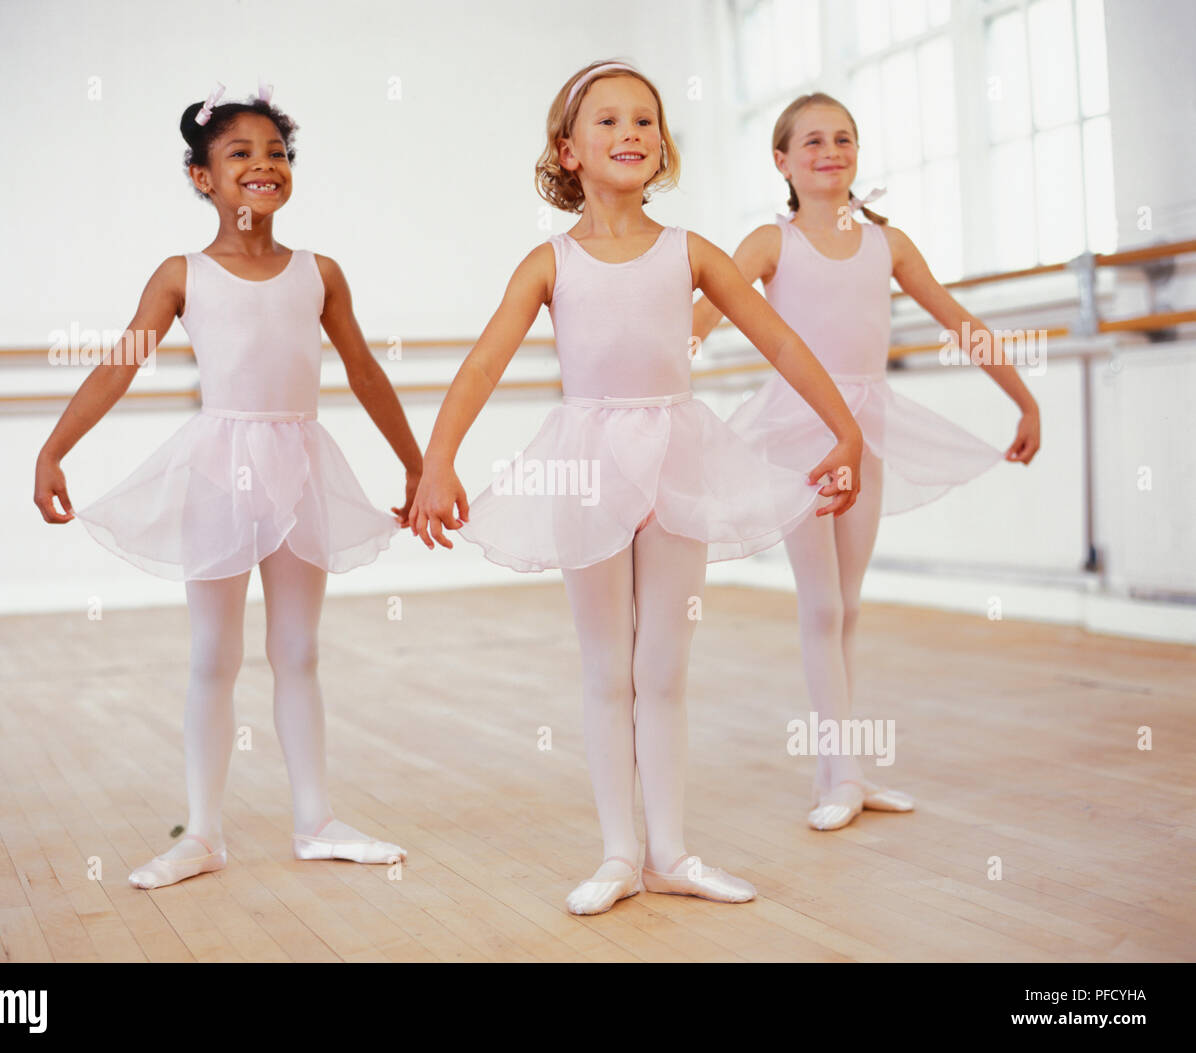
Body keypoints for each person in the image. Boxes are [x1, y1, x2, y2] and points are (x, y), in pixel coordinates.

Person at [410, 62, 865, 914]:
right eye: (610, 120)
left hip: (677, 455)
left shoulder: (691, 252)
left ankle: (671, 851)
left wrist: (845, 428)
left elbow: (782, 342)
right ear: (567, 149)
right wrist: (439, 460)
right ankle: (619, 851)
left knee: (663, 664)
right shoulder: (548, 262)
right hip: (587, 461)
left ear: (661, 146)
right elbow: (483, 361)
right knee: (604, 666)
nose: (631, 133)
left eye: (646, 121)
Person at [34, 82, 420, 887]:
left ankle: (314, 820)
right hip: (218, 468)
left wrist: (419, 465)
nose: (263, 165)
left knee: (298, 649)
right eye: (239, 153)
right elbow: (120, 364)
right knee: (215, 652)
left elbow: (364, 371)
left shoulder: (320, 273)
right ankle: (201, 832)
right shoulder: (182, 274)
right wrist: (53, 449)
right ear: (200, 177)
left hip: (301, 466)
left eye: (276, 153)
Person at [692, 92, 1041, 831]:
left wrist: (1025, 401)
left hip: (868, 427)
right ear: (782, 161)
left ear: (858, 153)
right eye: (811, 141)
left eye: (843, 138)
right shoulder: (768, 242)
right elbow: (700, 317)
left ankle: (841, 768)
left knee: (847, 604)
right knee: (820, 603)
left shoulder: (891, 245)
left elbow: (959, 321)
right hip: (794, 429)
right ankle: (841, 773)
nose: (830, 150)